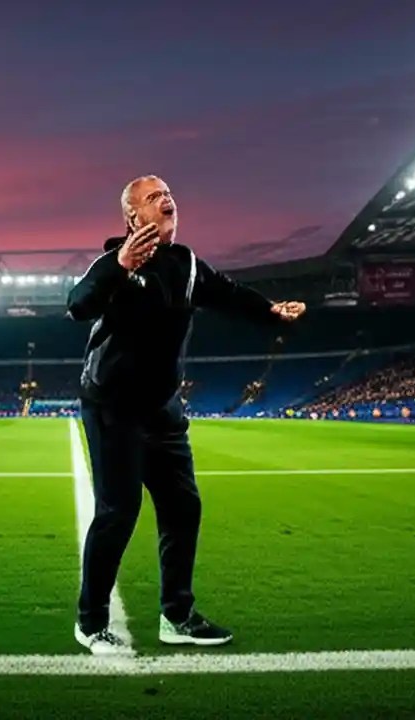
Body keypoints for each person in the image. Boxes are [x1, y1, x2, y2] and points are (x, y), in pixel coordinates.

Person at [66, 175, 306, 655]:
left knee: (182, 506)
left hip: (162, 410)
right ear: (134, 217)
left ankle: (176, 616)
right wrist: (119, 264)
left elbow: (230, 294)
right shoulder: (115, 262)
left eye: (169, 192)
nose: (167, 199)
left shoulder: (187, 264)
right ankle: (91, 622)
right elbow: (78, 305)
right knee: (119, 511)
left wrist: (271, 312)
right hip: (112, 405)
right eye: (154, 197)